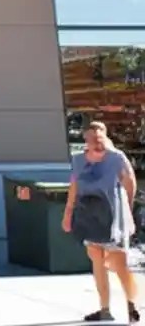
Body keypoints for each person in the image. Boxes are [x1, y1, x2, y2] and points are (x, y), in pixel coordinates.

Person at [63, 121, 140, 323]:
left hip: (112, 216)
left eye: (100, 138)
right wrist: (68, 213)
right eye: (92, 139)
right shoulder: (78, 160)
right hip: (88, 214)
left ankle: (132, 305)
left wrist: (127, 210)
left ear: (105, 137)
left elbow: (129, 183)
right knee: (97, 261)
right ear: (85, 140)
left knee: (119, 263)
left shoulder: (116, 158)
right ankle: (104, 309)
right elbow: (74, 186)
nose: (97, 143)